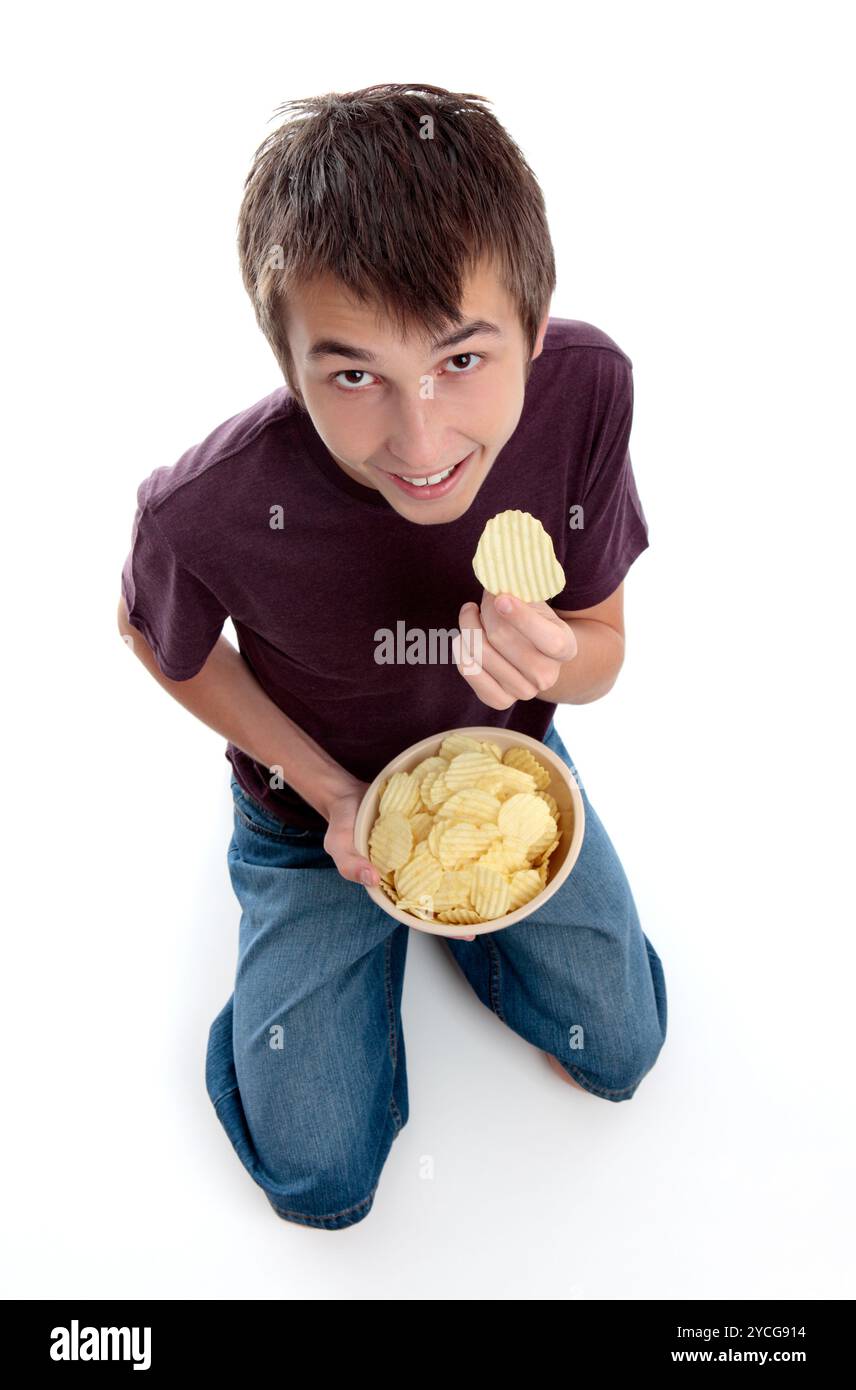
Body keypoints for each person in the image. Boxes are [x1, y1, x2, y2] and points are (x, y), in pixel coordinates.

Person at [117, 83, 667, 1230]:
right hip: (308, 818)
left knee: (620, 1053)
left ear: (533, 320)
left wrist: (554, 664)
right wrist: (331, 795)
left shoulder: (587, 392)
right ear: (288, 360)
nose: (419, 443)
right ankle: (343, 952)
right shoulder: (205, 505)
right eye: (354, 374)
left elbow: (605, 652)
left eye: (463, 360)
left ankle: (473, 930)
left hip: (503, 777)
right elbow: (154, 639)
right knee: (320, 1183)